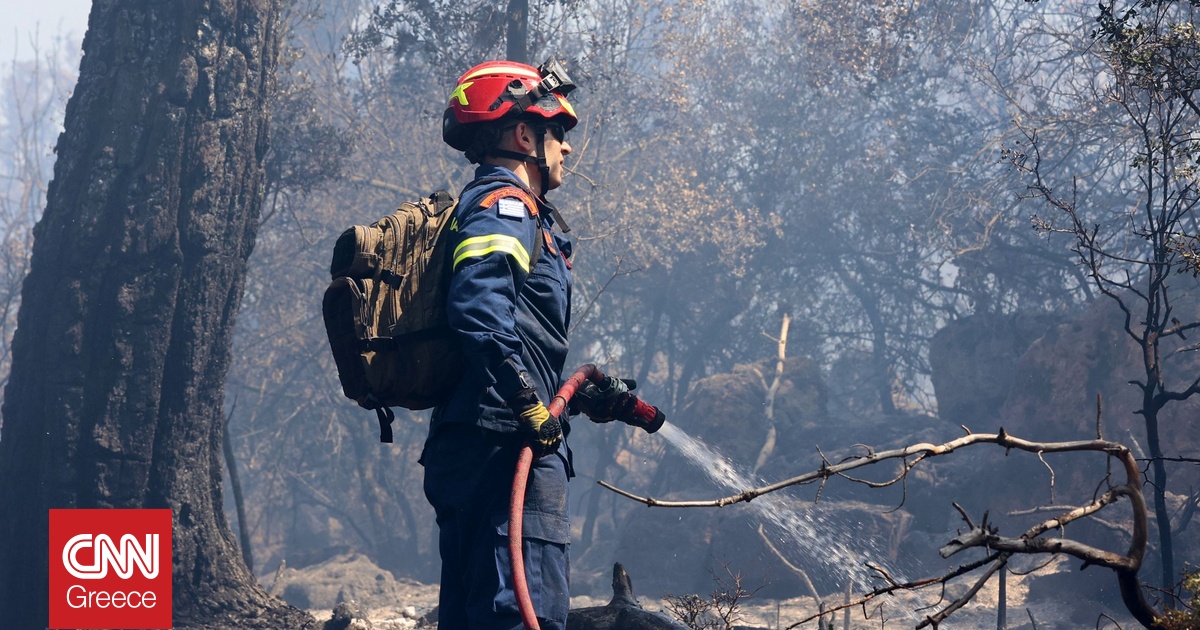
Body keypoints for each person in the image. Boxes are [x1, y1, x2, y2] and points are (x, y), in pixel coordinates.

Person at [421, 59, 644, 630]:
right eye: (558, 132)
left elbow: (508, 332)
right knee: (523, 615)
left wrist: (579, 396)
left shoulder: (494, 211)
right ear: (524, 135)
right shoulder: (507, 207)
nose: (566, 148)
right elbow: (478, 310)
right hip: (506, 451)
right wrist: (528, 402)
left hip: (475, 444)